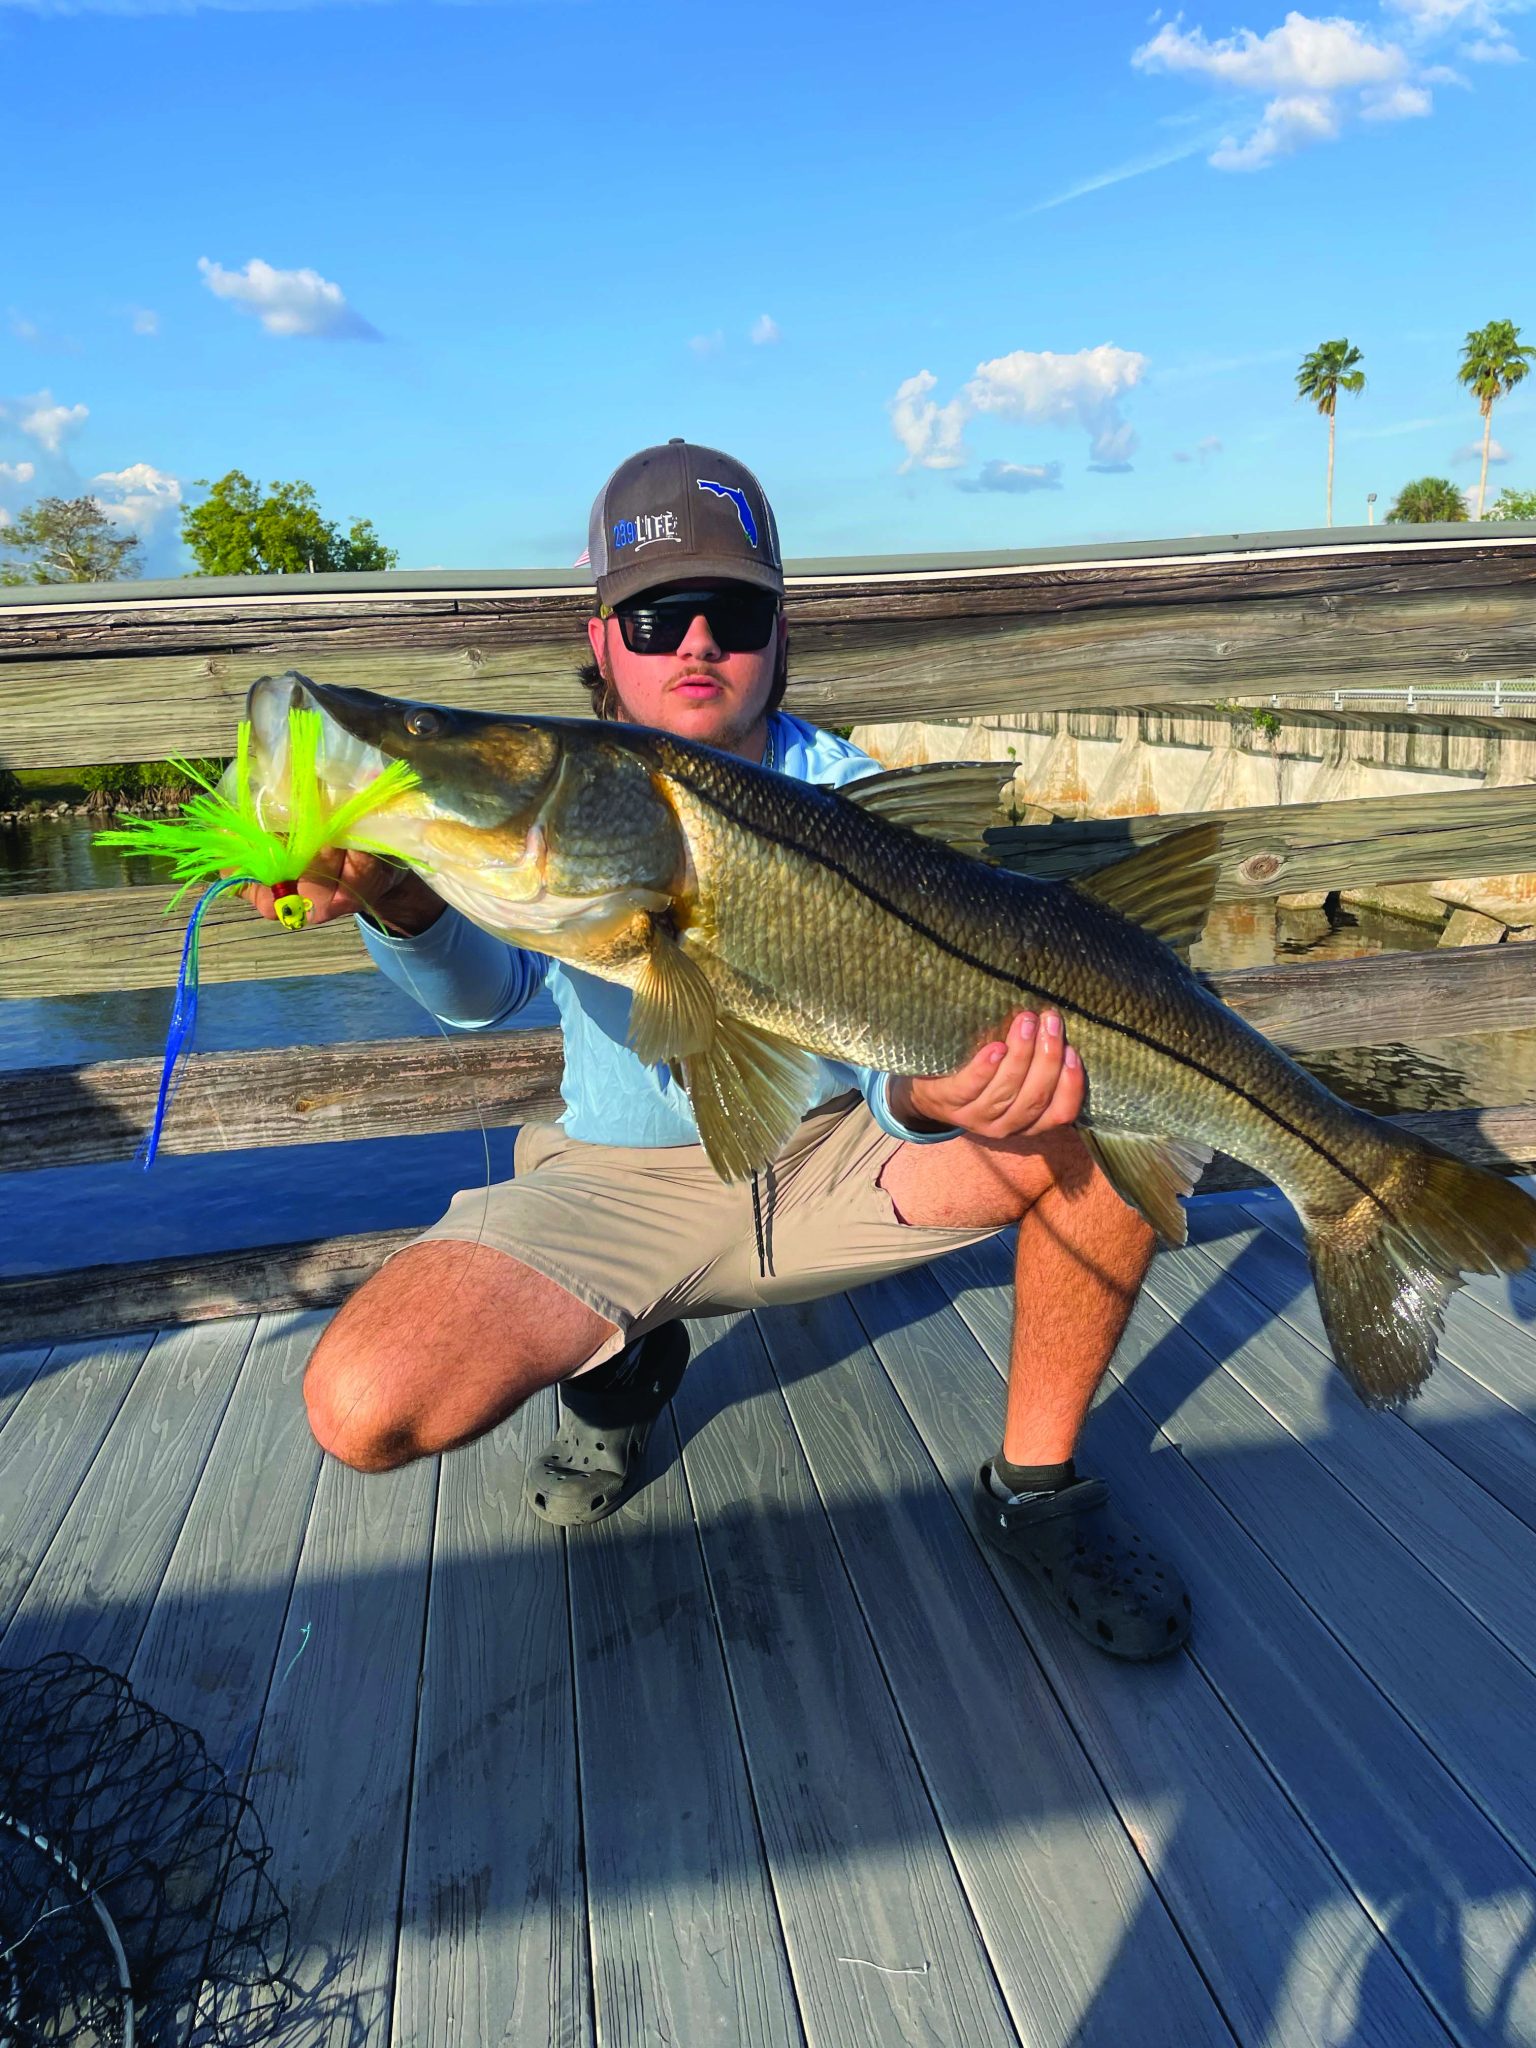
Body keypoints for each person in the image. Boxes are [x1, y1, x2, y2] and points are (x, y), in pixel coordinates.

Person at [241, 440, 1191, 1661]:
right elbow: (482, 998)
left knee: (1114, 1114)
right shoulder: (575, 801)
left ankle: (1036, 1487)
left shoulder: (847, 796)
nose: (696, 642)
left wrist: (933, 1092)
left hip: (835, 1160)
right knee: (361, 1402)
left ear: (778, 632)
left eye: (732, 613)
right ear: (602, 643)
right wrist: (398, 896)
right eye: (656, 616)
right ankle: (627, 1366)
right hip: (612, 1185)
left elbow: (892, 1053)